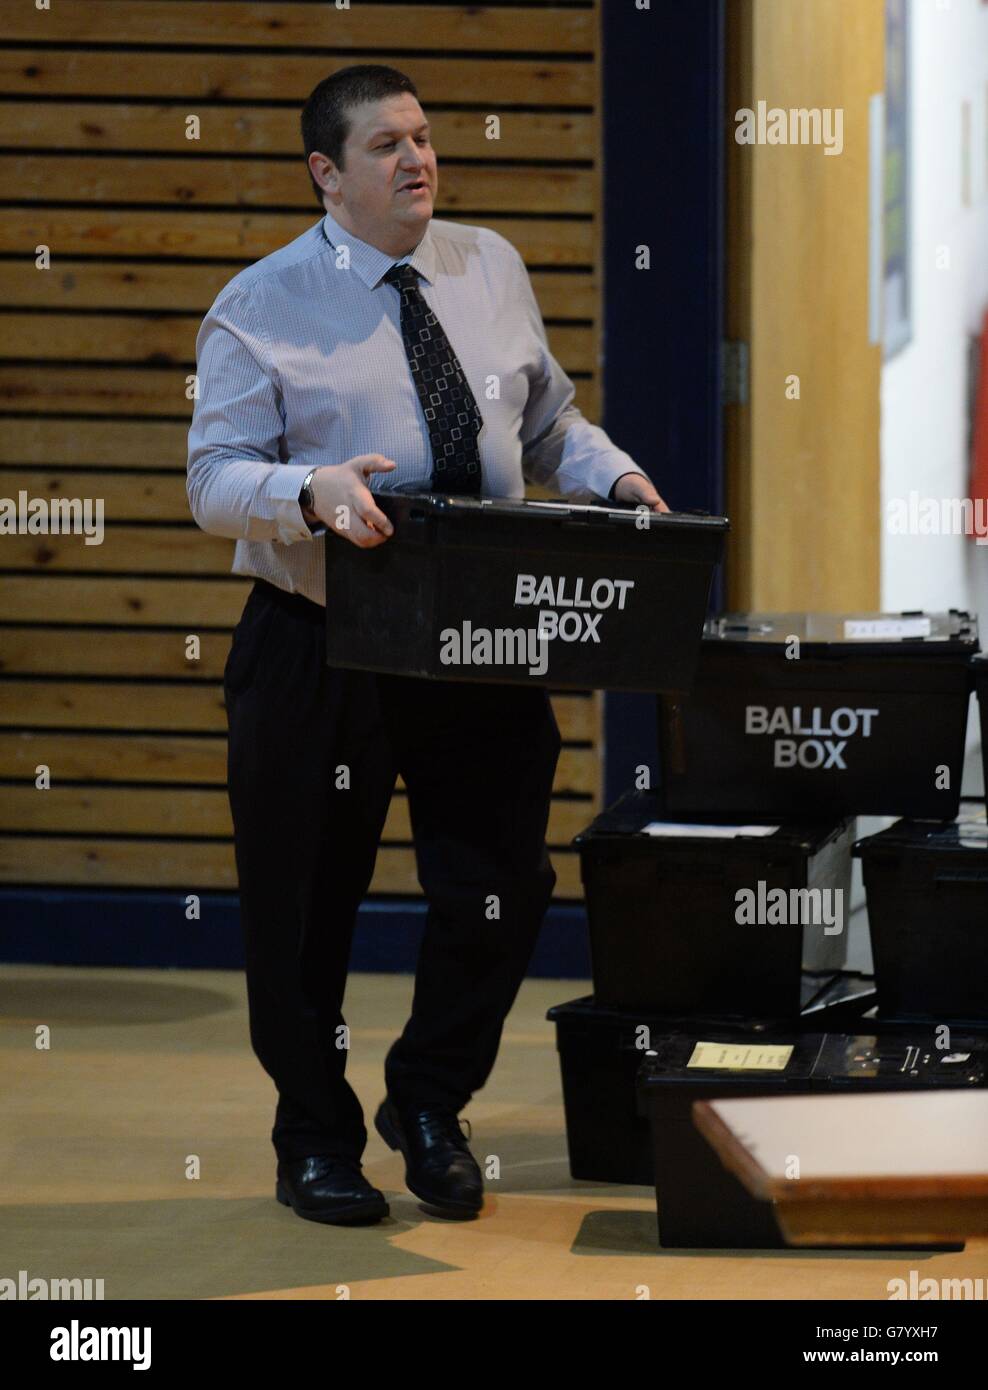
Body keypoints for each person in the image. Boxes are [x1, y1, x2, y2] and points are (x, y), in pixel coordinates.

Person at [187, 63, 668, 1227]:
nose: (416, 160)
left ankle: (429, 1100)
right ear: (326, 172)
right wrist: (307, 489)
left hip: (478, 638)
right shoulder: (260, 304)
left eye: (423, 137)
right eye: (386, 146)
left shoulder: (488, 264)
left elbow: (545, 417)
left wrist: (610, 475)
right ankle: (314, 1141)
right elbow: (212, 480)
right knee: (305, 912)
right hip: (320, 640)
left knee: (502, 887)